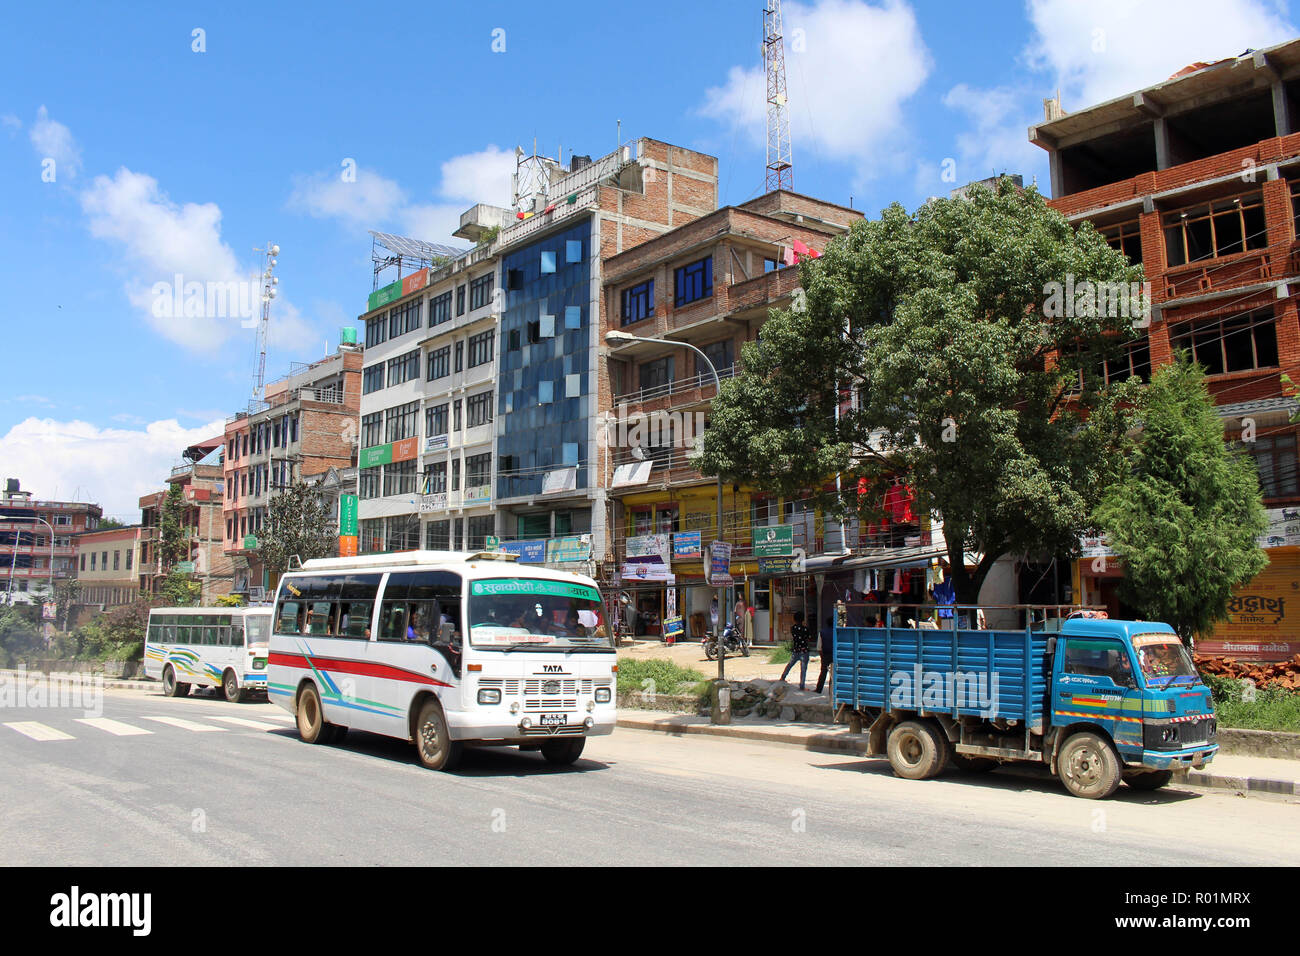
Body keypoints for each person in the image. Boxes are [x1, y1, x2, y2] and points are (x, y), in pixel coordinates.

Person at [779, 611, 813, 690]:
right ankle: (802, 685)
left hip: (796, 650)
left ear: (794, 619)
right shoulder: (805, 629)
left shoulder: (793, 628)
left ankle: (783, 677)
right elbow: (809, 638)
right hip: (804, 651)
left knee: (790, 664)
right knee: (803, 668)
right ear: (803, 619)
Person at [814, 615, 835, 694]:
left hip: (825, 655)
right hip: (835, 655)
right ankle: (831, 691)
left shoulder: (822, 632)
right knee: (833, 674)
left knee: (823, 673)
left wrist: (822, 657)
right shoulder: (837, 632)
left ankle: (818, 689)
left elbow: (819, 647)